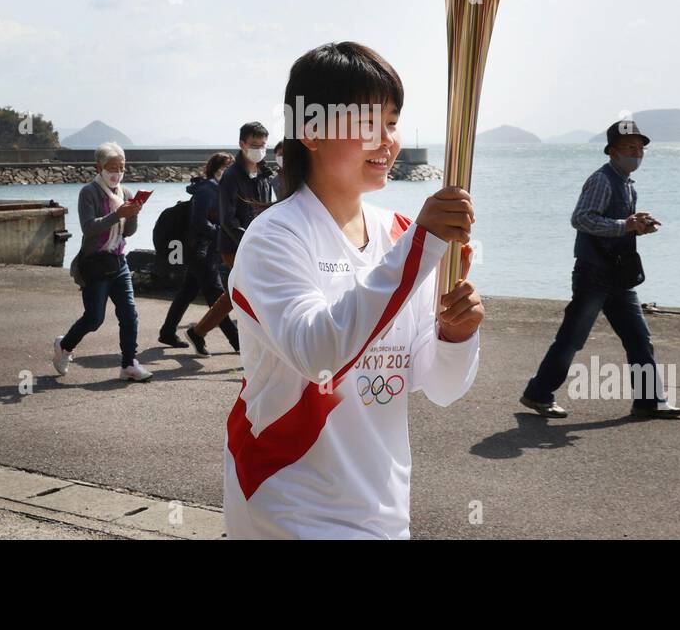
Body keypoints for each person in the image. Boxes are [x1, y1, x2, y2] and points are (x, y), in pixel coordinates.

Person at [224, 41, 483, 539]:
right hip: (290, 502)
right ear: (311, 131)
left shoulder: (398, 234)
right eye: (368, 123)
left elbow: (442, 388)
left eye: (391, 121)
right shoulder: (274, 238)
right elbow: (320, 353)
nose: (387, 141)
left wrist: (455, 334)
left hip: (383, 509)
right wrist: (420, 248)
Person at [520, 121, 680, 420]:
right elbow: (581, 219)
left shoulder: (626, 183)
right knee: (572, 338)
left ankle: (649, 401)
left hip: (617, 276)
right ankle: (538, 393)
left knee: (639, 338)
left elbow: (614, 223)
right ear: (612, 152)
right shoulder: (603, 180)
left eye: (640, 148)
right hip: (594, 274)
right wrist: (625, 225)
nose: (637, 153)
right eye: (629, 148)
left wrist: (636, 222)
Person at [52, 142, 151, 382]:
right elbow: (89, 228)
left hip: (119, 261)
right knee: (94, 318)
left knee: (129, 314)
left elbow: (127, 233)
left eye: (121, 167)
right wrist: (118, 215)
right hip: (95, 264)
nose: (117, 173)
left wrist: (134, 214)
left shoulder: (125, 193)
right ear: (99, 167)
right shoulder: (89, 192)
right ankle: (64, 346)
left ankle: (129, 363)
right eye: (112, 167)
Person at [186, 121, 275, 355]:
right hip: (234, 244)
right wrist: (251, 241)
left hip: (258, 242)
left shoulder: (264, 173)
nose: (259, 149)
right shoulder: (231, 177)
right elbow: (227, 220)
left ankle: (198, 331)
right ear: (242, 144)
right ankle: (261, 344)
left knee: (236, 292)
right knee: (256, 290)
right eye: (254, 144)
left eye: (263, 145)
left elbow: (267, 209)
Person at [159, 152, 235, 348]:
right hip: (201, 251)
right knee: (217, 297)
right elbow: (199, 222)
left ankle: (167, 332)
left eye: (230, 169)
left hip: (204, 250)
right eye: (224, 168)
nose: (227, 172)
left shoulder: (218, 189)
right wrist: (221, 233)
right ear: (215, 169)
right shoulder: (208, 190)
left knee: (187, 291)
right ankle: (236, 341)